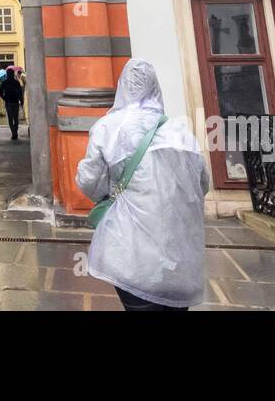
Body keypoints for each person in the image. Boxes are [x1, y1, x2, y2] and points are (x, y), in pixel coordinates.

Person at [76, 59, 208, 312]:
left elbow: (89, 182)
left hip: (131, 251)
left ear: (121, 87)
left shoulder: (109, 128)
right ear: (156, 87)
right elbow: (202, 185)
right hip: (179, 257)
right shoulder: (179, 131)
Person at [0, 68, 24, 140]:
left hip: (8, 102)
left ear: (7, 74)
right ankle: (15, 131)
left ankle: (13, 132)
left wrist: (4, 98)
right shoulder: (16, 82)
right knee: (16, 118)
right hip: (15, 102)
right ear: (13, 74)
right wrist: (21, 101)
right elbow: (20, 93)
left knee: (10, 118)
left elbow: (0, 92)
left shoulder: (5, 82)